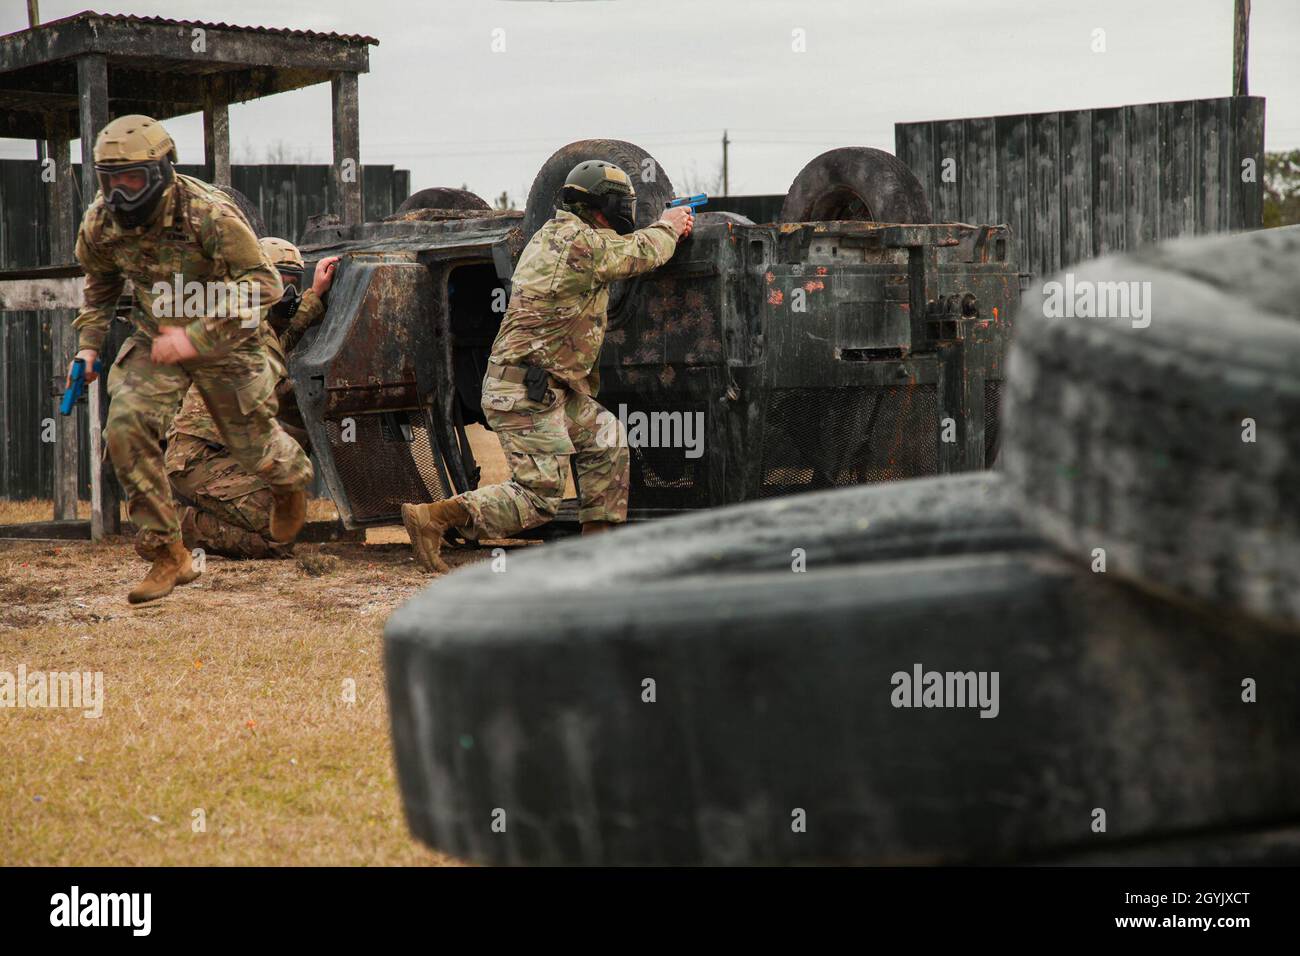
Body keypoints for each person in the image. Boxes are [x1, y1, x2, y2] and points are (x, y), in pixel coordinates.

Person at [401, 159, 693, 571]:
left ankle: (599, 556)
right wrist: (669, 224)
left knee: (605, 440)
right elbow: (642, 253)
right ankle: (435, 518)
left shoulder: (556, 235)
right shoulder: (580, 244)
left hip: (546, 388)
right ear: (604, 206)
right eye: (622, 203)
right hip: (524, 391)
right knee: (539, 496)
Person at [68, 114, 312, 603]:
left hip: (224, 334)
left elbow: (263, 285)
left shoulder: (209, 214)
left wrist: (197, 337)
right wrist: (89, 345)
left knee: (252, 447)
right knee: (124, 427)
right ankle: (167, 552)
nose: (120, 191)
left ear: (161, 171)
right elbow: (100, 285)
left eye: (132, 178)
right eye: (110, 179)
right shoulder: (101, 220)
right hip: (156, 333)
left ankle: (291, 484)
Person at [165, 238, 340, 559]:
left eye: (293, 284)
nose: (287, 294)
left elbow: (283, 337)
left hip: (219, 454)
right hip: (199, 459)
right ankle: (171, 527)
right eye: (279, 282)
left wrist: (314, 294)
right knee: (278, 534)